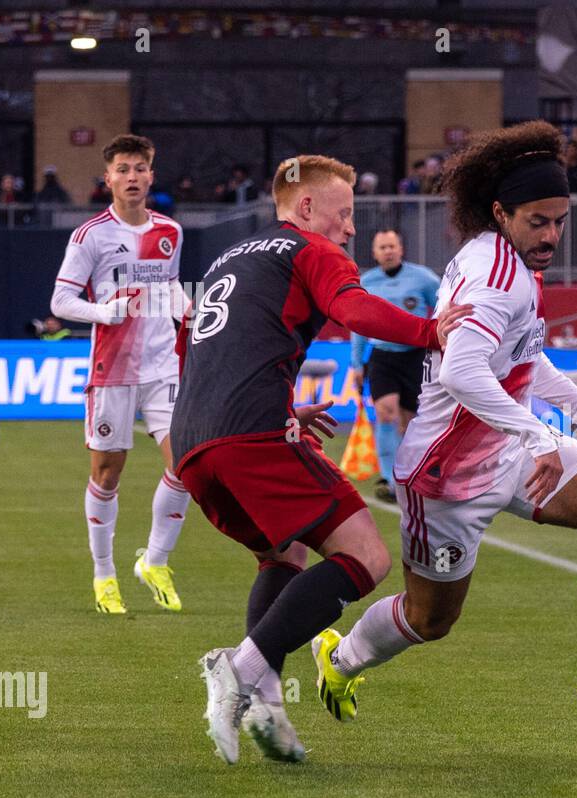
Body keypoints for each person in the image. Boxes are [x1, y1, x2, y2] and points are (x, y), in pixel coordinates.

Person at [315, 121, 577, 741]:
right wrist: (539, 437)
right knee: (429, 620)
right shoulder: (494, 277)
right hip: (446, 474)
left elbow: (525, 354)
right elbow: (460, 372)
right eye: (539, 221)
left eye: (561, 220)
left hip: (509, 448)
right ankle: (340, 660)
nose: (552, 235)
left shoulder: (509, 260)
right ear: (501, 212)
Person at [179, 154, 471, 764]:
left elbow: (209, 344)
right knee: (367, 557)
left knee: (282, 553)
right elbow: (357, 311)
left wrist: (280, 409)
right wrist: (432, 331)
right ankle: (241, 669)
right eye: (346, 214)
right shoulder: (310, 251)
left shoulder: (232, 256)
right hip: (248, 435)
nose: (351, 231)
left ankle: (269, 707)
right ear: (307, 207)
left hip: (193, 442)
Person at [50, 134, 191, 616]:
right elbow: (61, 301)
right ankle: (104, 573)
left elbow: (168, 285)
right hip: (112, 369)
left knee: (187, 462)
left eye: (140, 168)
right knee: (107, 474)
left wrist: (191, 311)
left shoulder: (170, 230)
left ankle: (154, 561)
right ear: (108, 178)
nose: (131, 177)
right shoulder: (90, 236)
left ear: (151, 175)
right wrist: (103, 311)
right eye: (122, 170)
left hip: (162, 365)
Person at [348, 229, 440, 502]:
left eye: (392, 246)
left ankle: (411, 474)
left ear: (401, 249)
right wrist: (356, 363)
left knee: (409, 422)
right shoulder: (365, 282)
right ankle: (389, 480)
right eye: (382, 247)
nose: (387, 251)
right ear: (375, 253)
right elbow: (358, 325)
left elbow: (442, 310)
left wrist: (440, 345)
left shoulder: (423, 278)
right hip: (382, 356)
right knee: (385, 412)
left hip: (414, 356)